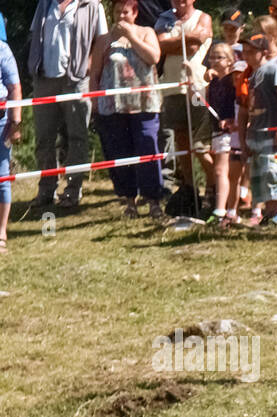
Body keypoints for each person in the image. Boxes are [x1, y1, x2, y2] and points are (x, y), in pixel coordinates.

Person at [27, 0, 109, 210]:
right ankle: (46, 190)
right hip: (45, 78)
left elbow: (102, 40)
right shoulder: (44, 4)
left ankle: (73, 191)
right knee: (44, 138)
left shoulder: (92, 6)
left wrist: (90, 65)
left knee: (77, 136)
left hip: (76, 79)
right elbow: (36, 34)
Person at [88, 0, 164, 219]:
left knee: (148, 151)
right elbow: (94, 73)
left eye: (126, 12)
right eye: (117, 12)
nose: (121, 17)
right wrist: (94, 103)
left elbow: (154, 58)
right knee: (119, 154)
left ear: (135, 13)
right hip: (113, 107)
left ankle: (153, 201)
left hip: (144, 103)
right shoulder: (104, 40)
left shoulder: (147, 32)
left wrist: (131, 36)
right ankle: (129, 201)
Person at [155, 0, 214, 214]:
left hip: (197, 87)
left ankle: (214, 187)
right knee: (181, 140)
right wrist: (182, 40)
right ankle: (190, 188)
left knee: (201, 144)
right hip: (171, 87)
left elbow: (196, 44)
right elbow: (160, 45)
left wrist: (171, 42)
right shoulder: (164, 19)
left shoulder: (203, 17)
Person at [238, 29, 277, 225]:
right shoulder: (252, 76)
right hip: (257, 133)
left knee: (272, 173)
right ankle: (267, 214)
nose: (247, 55)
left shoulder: (273, 70)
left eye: (252, 51)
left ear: (263, 52)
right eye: (244, 51)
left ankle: (275, 215)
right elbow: (247, 109)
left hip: (273, 133)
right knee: (260, 175)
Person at [204, 41, 239, 224]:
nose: (215, 61)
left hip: (230, 131)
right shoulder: (214, 81)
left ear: (230, 60)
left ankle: (220, 210)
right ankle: (225, 207)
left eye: (220, 57)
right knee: (222, 170)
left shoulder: (233, 80)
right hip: (216, 130)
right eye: (212, 57)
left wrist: (234, 121)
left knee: (221, 170)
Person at [0, 35, 20, 252]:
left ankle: (1, 233)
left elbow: (15, 87)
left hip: (1, 121)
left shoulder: (2, 50)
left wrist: (16, 122)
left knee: (2, 176)